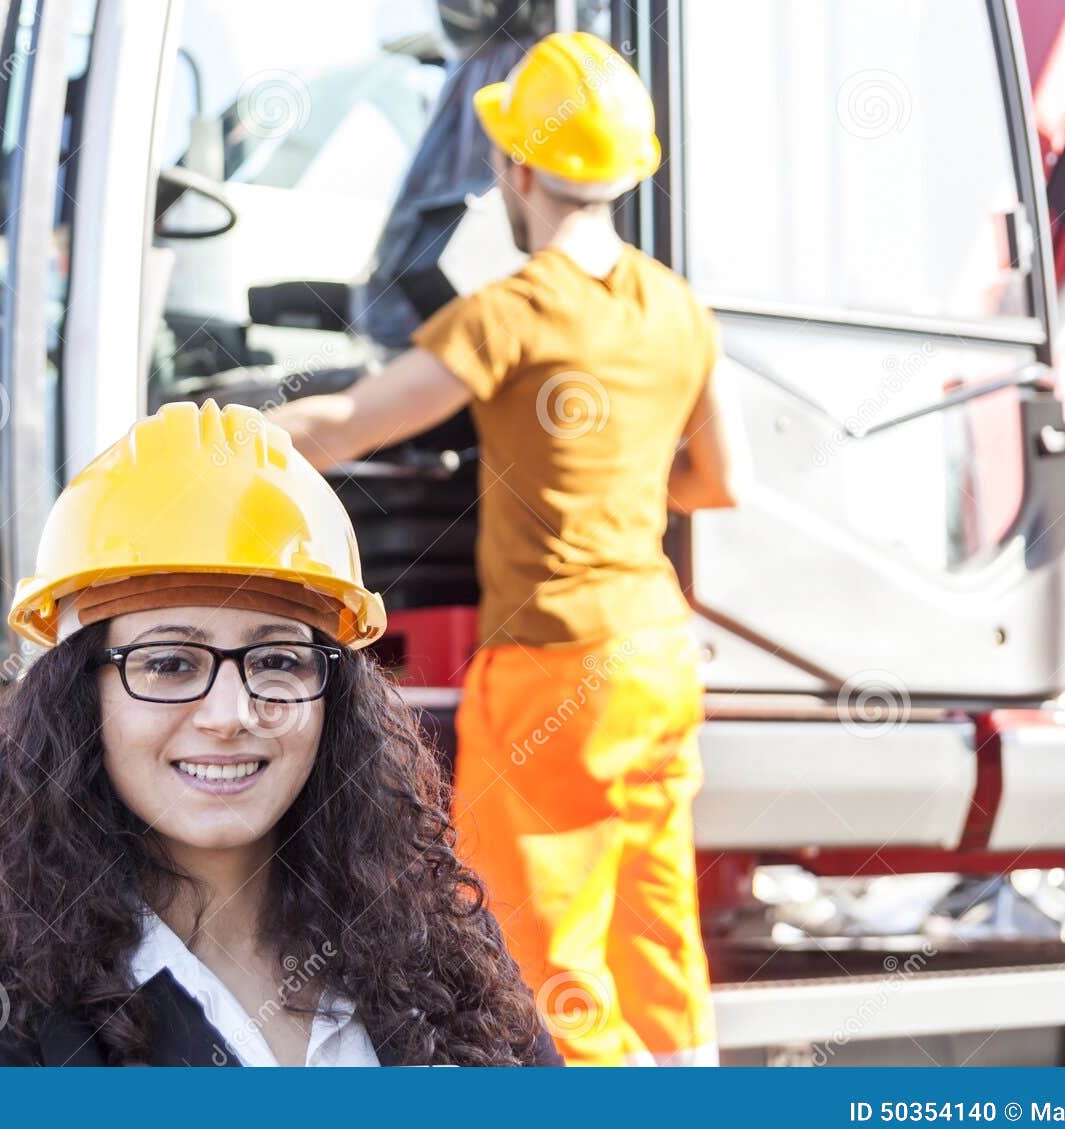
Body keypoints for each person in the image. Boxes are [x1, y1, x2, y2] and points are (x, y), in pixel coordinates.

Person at [268, 31, 744, 1065]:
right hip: (659, 656)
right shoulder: (678, 309)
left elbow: (352, 422)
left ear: (514, 167)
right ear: (625, 171)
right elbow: (722, 481)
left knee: (540, 946)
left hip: (557, 665)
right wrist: (612, 472)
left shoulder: (513, 312)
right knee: (653, 925)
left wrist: (225, 424)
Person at [0, 399, 561, 1067]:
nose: (230, 713)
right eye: (167, 663)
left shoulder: (442, 953)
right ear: (79, 699)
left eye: (275, 660)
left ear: (335, 697)